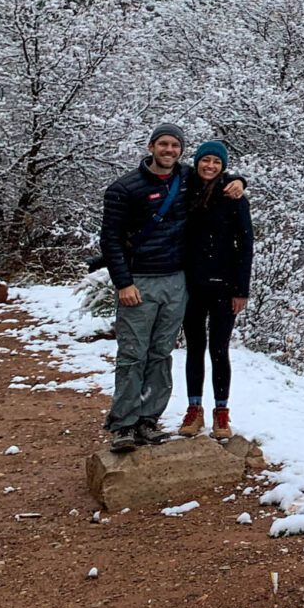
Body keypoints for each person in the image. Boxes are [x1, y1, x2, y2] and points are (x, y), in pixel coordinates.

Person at [98, 124, 243, 453]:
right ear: (151, 147)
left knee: (161, 353)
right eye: (163, 144)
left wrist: (239, 181)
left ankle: (149, 419)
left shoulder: (186, 179)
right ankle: (124, 423)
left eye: (175, 145)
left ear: (181, 150)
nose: (169, 150)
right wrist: (123, 283)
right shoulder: (124, 188)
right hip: (139, 280)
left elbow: (216, 171)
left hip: (177, 280)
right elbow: (110, 240)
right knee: (133, 355)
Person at [177, 138, 253, 440]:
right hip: (191, 284)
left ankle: (221, 412)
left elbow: (246, 245)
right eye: (206, 160)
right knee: (194, 348)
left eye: (217, 163)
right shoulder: (184, 188)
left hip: (224, 287)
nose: (210, 166)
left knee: (219, 350)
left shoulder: (233, 196)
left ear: (224, 167)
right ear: (197, 162)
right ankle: (194, 410)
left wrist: (241, 290)